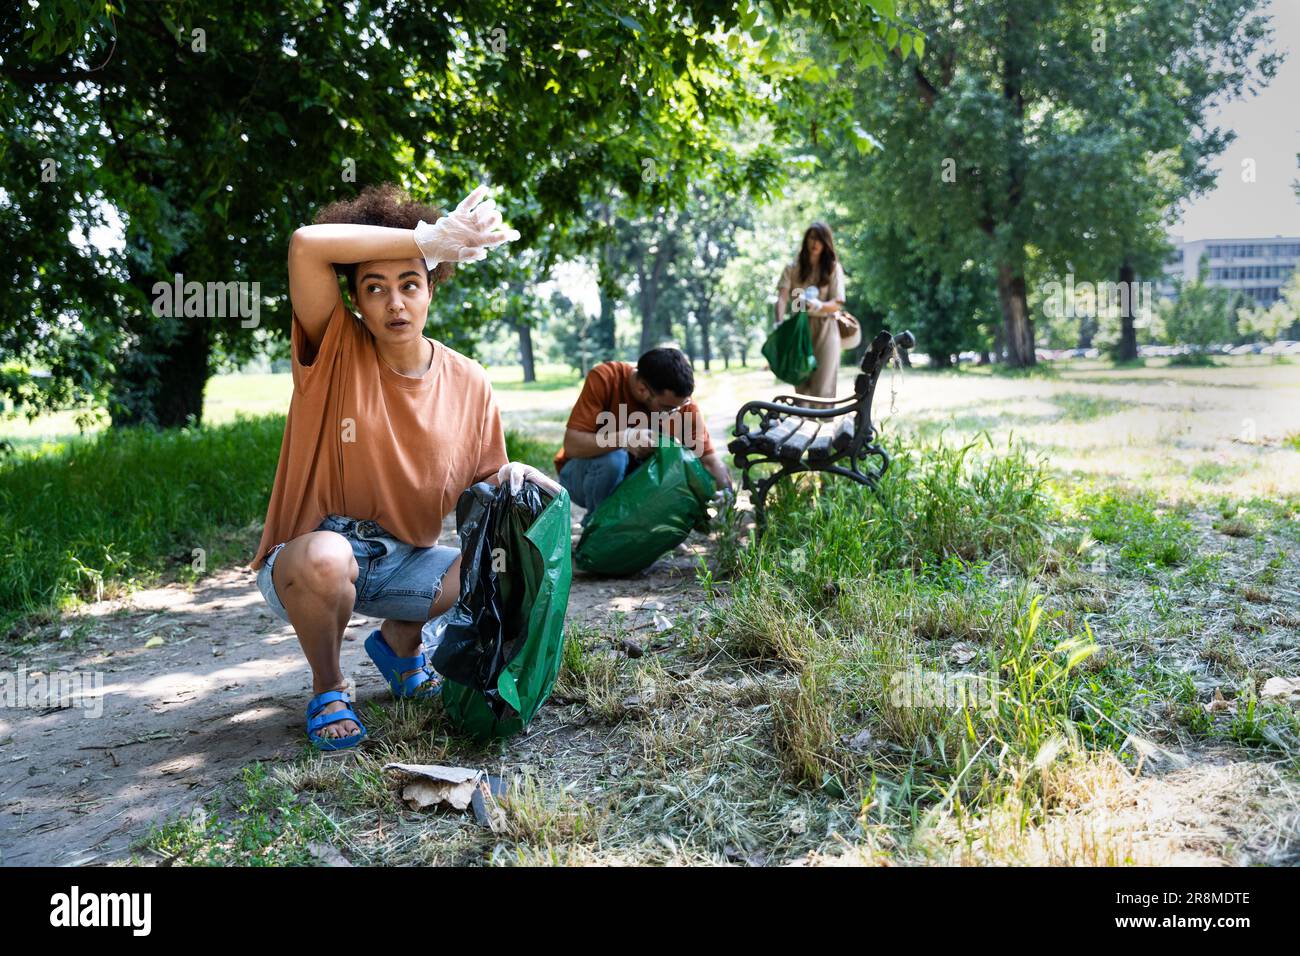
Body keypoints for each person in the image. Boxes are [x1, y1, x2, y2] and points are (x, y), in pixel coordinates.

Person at [250, 182, 560, 750]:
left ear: (431, 291)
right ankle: (329, 688)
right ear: (357, 302)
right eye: (375, 288)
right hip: (311, 560)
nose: (395, 303)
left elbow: (484, 487)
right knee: (326, 556)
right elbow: (305, 245)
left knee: (501, 561)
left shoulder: (469, 380)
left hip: (405, 563)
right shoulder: (335, 347)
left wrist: (515, 476)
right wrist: (426, 238)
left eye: (409, 284)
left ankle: (400, 644)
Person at [554, 347, 732, 525]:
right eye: (668, 408)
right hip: (582, 478)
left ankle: (652, 530)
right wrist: (625, 438)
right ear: (642, 390)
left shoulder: (680, 403)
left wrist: (726, 493)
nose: (674, 413)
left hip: (634, 485)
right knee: (613, 459)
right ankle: (598, 529)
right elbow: (572, 444)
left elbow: (710, 461)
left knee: (678, 460)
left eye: (680, 406)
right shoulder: (606, 378)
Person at [773, 222, 862, 399]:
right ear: (806, 240)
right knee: (800, 384)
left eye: (820, 239)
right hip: (798, 327)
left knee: (823, 387)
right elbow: (782, 298)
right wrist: (779, 323)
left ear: (826, 243)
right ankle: (803, 424)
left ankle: (826, 425)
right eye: (812, 238)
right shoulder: (792, 268)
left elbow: (838, 302)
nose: (815, 243)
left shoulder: (832, 268)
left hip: (826, 327)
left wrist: (819, 305)